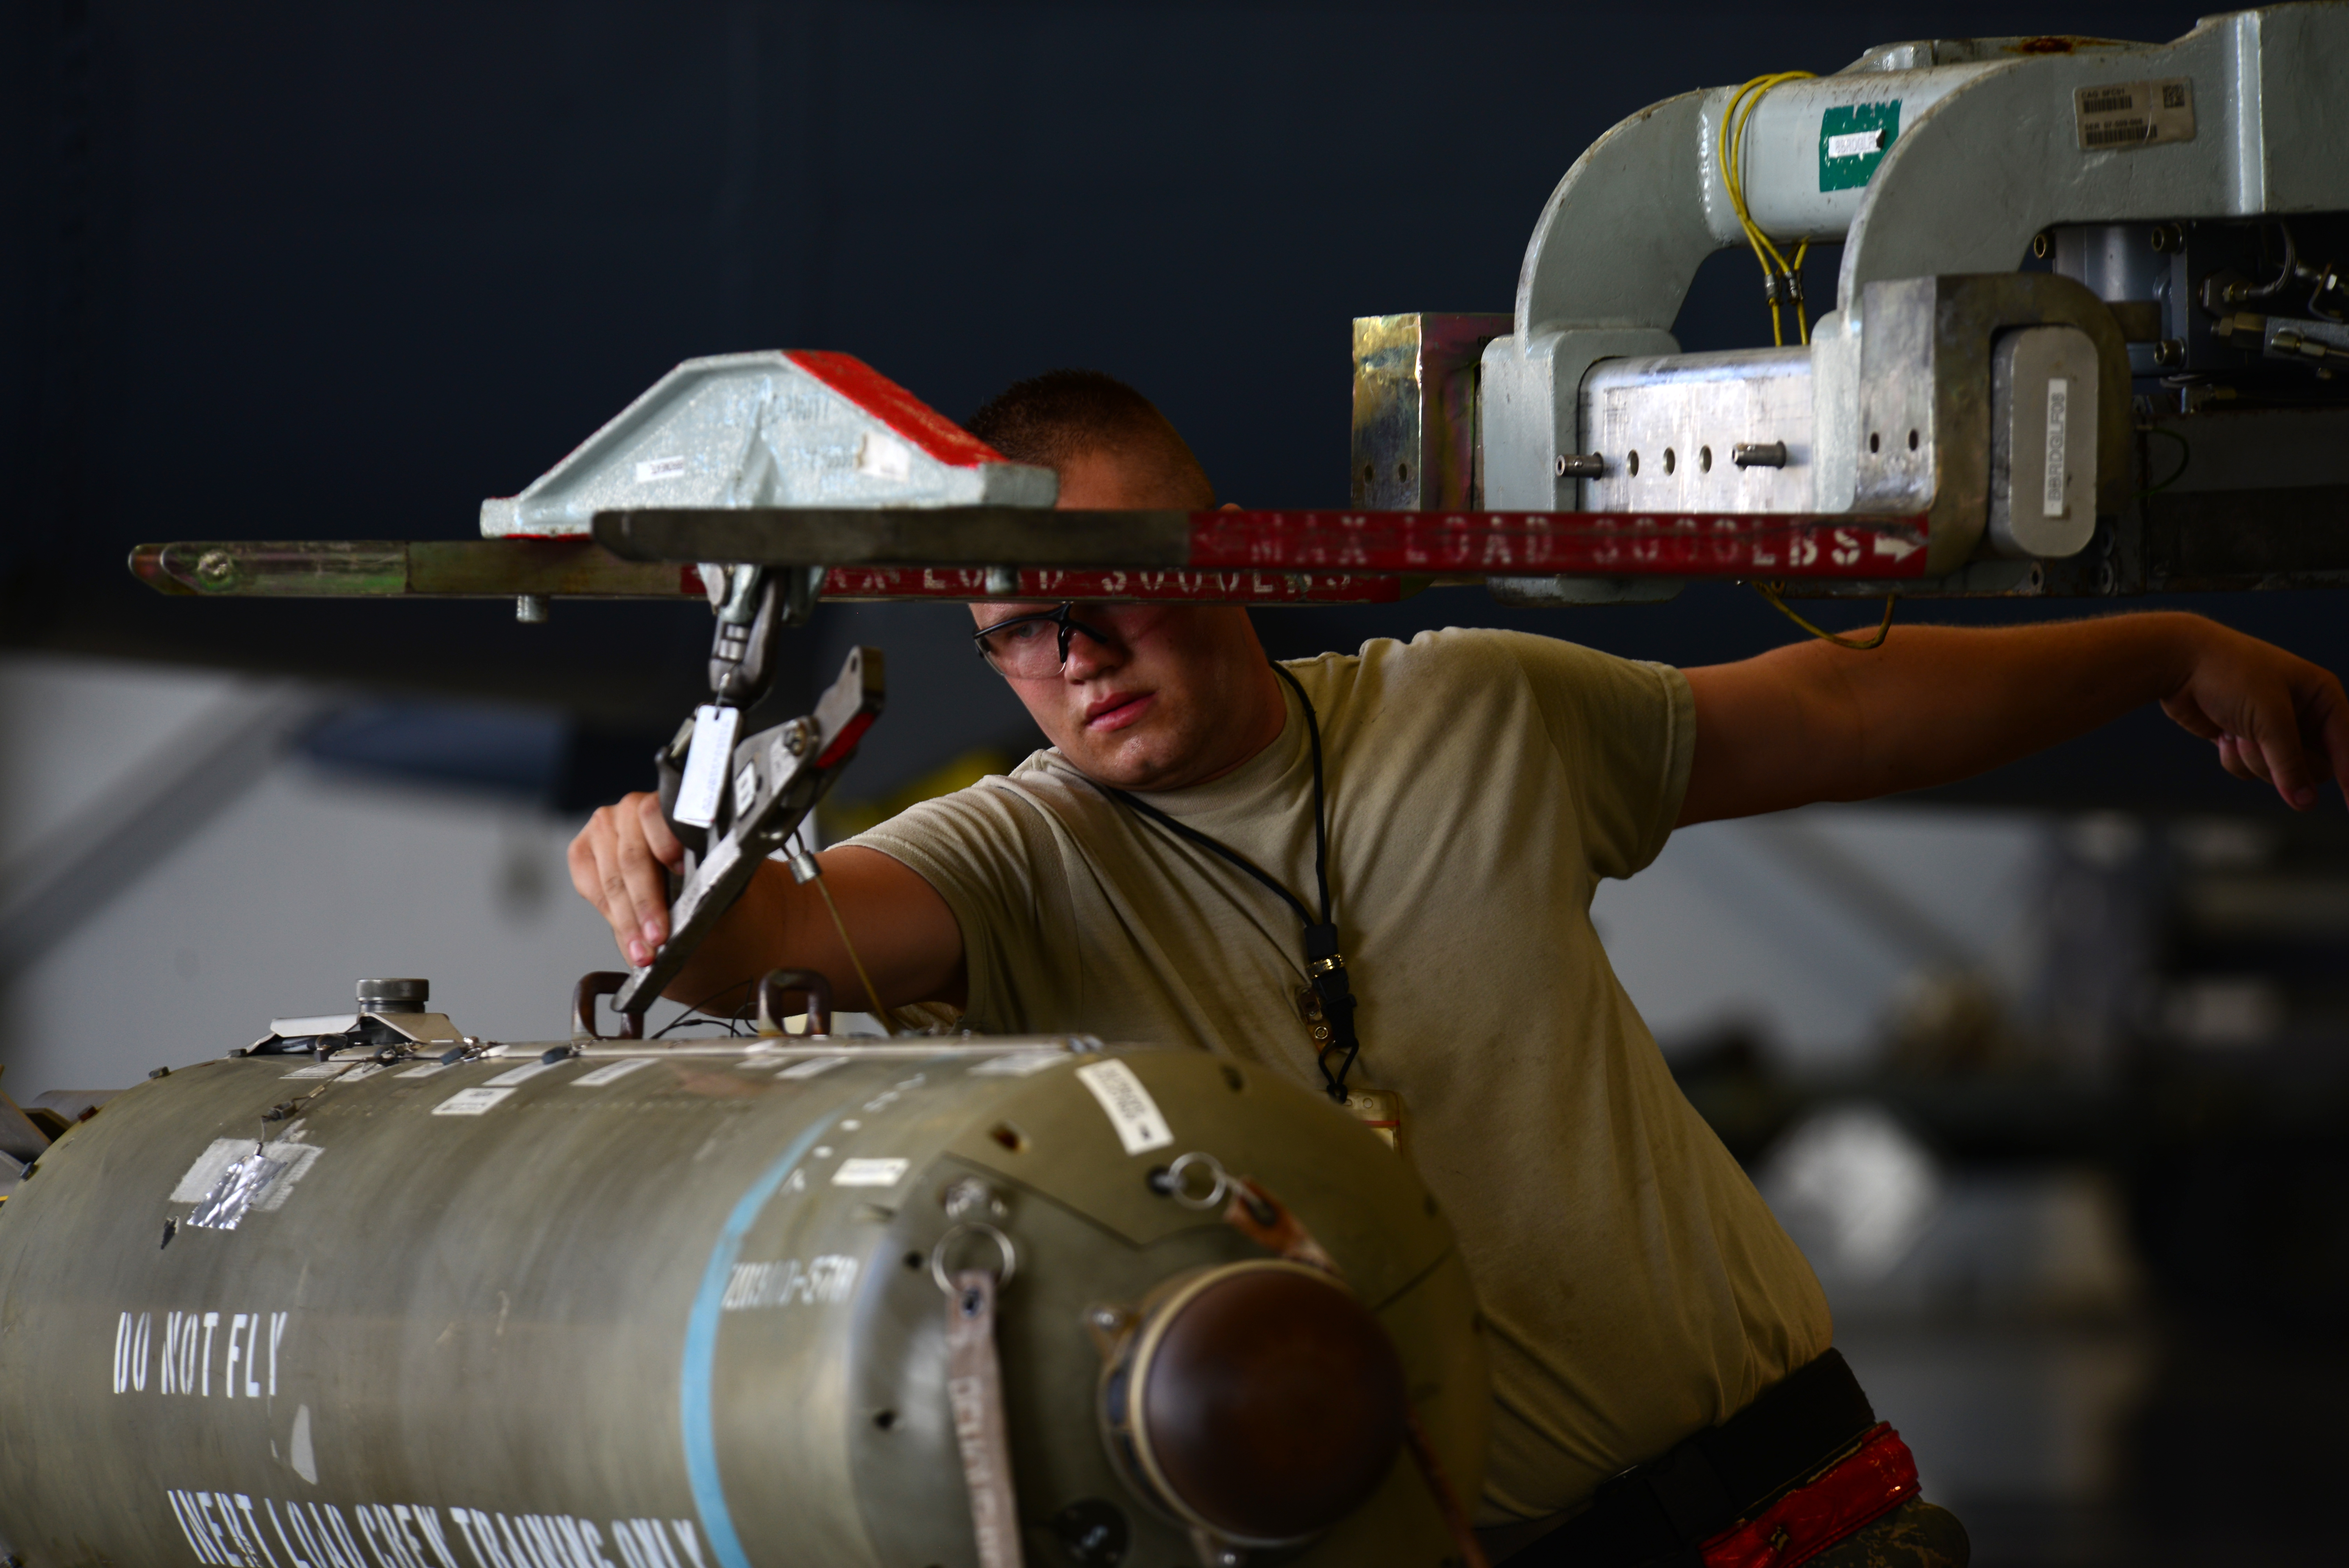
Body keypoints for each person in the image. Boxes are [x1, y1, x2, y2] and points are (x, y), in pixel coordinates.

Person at [571, 369, 2348, 1566]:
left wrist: (2155, 652)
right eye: (1017, 627)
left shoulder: (1471, 710)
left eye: (1113, 583)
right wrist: (661, 861)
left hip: (1800, 1514)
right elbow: (778, 939)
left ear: (1237, 548)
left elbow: (1842, 704)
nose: (1076, 649)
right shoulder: (1018, 851)